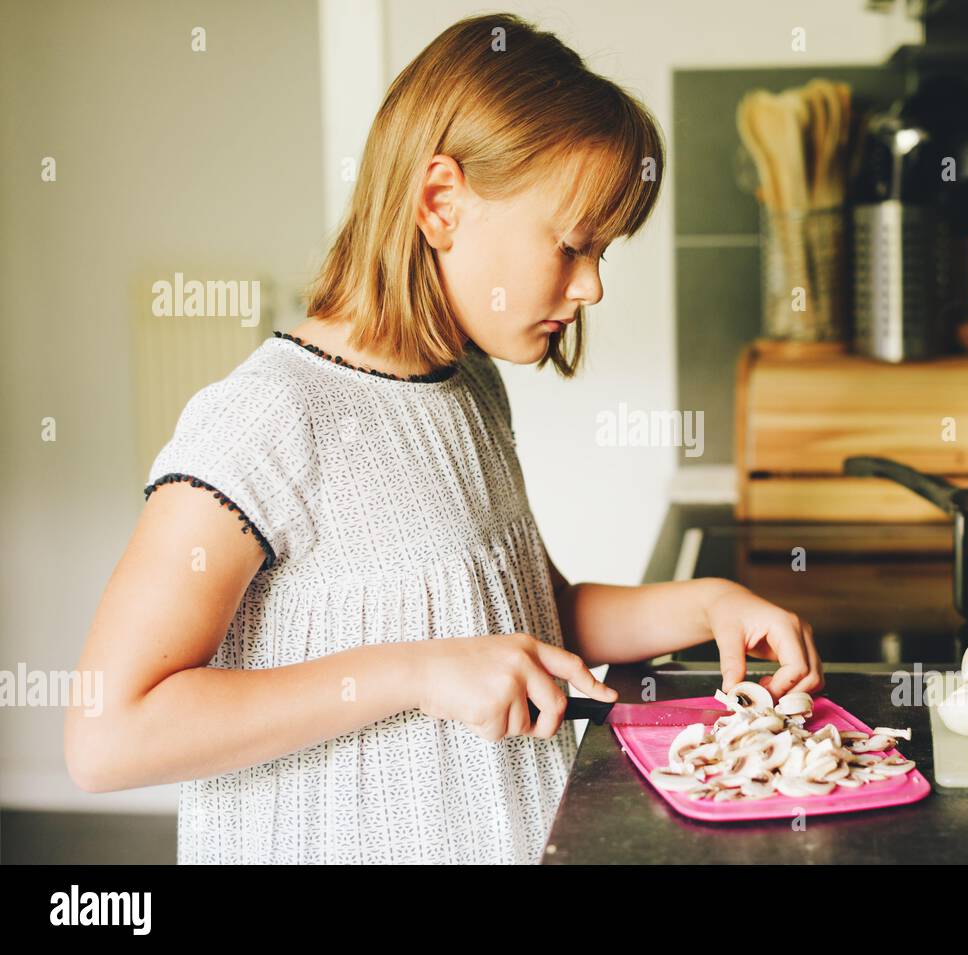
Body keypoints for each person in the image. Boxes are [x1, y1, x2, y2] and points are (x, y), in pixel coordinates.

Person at [65, 11, 822, 864]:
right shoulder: (268, 418)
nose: (593, 286)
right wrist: (416, 672)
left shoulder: (468, 384)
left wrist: (706, 602)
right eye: (573, 245)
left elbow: (534, 612)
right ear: (440, 203)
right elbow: (108, 733)